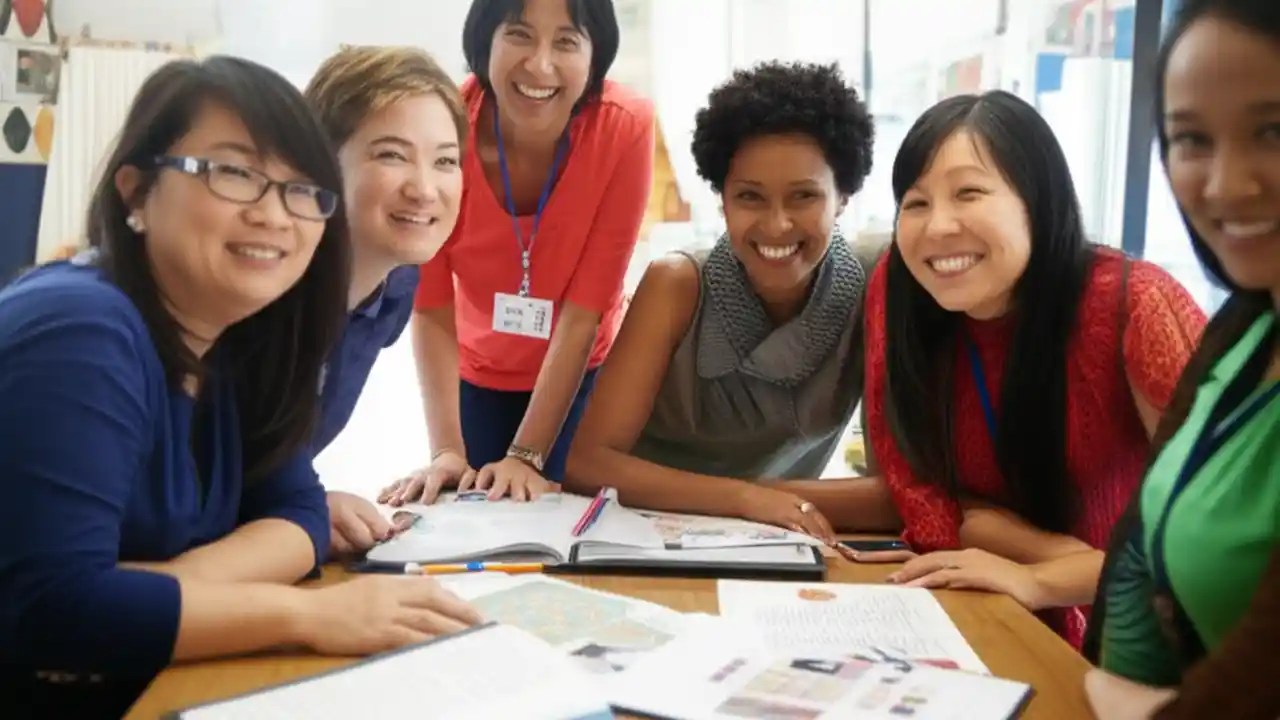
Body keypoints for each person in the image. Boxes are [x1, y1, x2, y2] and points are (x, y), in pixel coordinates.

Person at [0, 57, 479, 719]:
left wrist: (152, 594)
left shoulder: (230, 336)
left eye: (299, 189)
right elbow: (52, 611)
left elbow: (301, 512)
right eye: (234, 173)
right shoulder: (82, 327)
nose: (273, 213)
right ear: (136, 194)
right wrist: (304, 614)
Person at [860, 90, 1207, 649]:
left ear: (1036, 203)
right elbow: (915, 482)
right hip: (993, 611)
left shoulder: (1133, 305)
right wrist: (1014, 543)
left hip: (1151, 644)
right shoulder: (899, 289)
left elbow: (1226, 531)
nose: (937, 227)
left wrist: (1045, 573)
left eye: (968, 193)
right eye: (915, 202)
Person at [563, 61, 899, 542]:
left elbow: (898, 493)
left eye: (803, 197)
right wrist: (746, 499)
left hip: (776, 537)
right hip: (641, 536)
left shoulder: (877, 278)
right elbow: (586, 463)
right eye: (750, 197)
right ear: (722, 199)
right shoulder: (678, 285)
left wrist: (761, 501)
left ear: (843, 196)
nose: (777, 225)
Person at [1084, 2, 1280, 717]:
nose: (1227, 185)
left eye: (1273, 130)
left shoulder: (1135, 299)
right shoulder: (1245, 325)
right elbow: (1143, 552)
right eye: (1192, 139)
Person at [380, 0, 655, 507]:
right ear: (486, 41)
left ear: (596, 57)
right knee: (479, 513)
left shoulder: (624, 127)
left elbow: (585, 311)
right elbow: (433, 304)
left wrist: (527, 454)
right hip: (479, 370)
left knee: (566, 521)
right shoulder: (446, 129)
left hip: (584, 374)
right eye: (520, 35)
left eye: (567, 41)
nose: (541, 65)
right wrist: (445, 449)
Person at [301, 46, 468, 555]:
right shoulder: (266, 288)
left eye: (444, 161)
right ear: (320, 163)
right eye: (391, 155)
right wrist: (297, 506)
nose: (424, 189)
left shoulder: (394, 285)